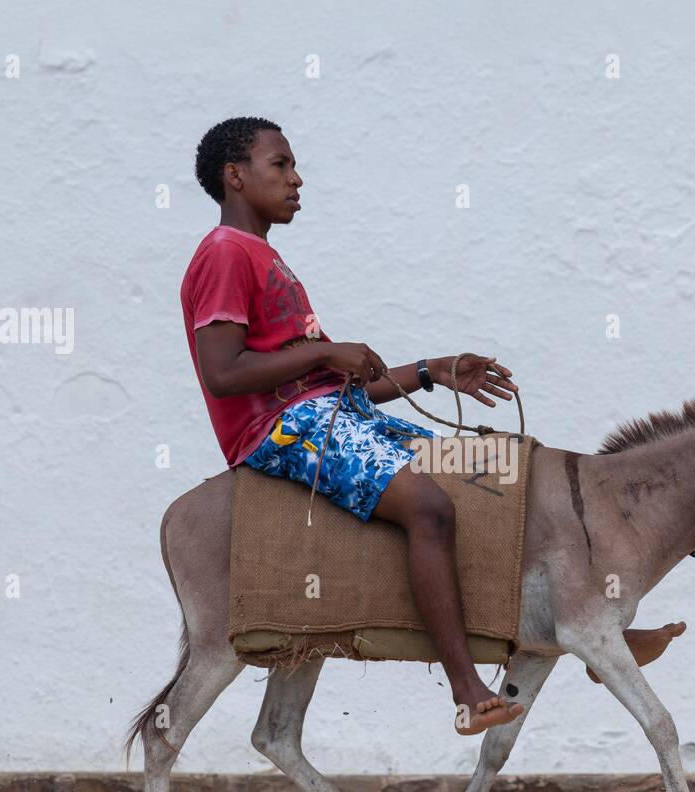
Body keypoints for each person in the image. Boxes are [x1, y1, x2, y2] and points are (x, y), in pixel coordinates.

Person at [180, 116, 524, 736]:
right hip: (281, 429)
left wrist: (432, 370)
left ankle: (585, 628)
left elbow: (342, 388)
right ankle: (469, 690)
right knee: (429, 506)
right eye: (279, 164)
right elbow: (222, 371)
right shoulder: (226, 253)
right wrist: (322, 353)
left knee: (488, 476)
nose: (296, 178)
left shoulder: (264, 256)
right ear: (235, 176)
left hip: (325, 412)